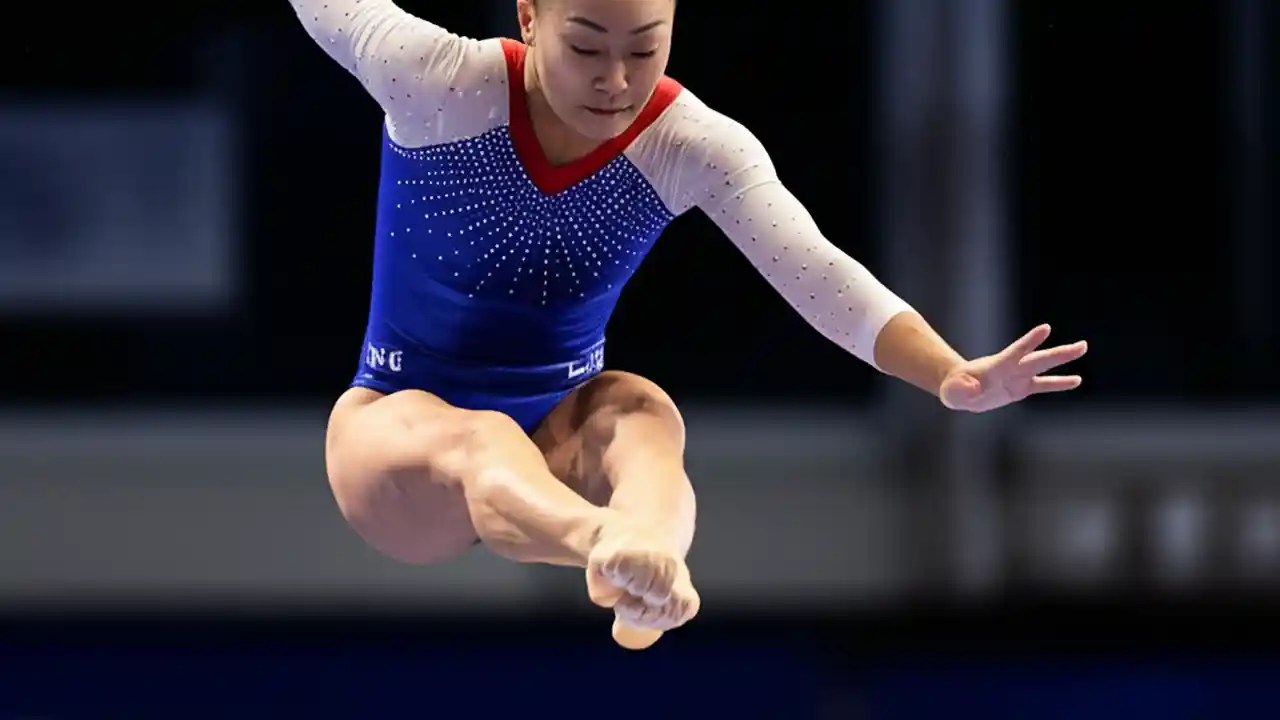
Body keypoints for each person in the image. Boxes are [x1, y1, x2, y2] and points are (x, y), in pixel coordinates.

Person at [290, 0, 1088, 649]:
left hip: (556, 434)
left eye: (645, 48)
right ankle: (606, 547)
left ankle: (651, 562)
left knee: (643, 408)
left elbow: (814, 271)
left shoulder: (688, 144)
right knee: (483, 440)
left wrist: (947, 372)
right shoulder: (441, 83)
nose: (616, 79)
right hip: (395, 441)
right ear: (529, 18)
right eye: (588, 47)